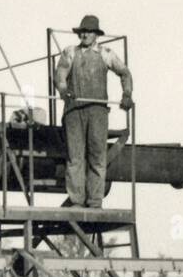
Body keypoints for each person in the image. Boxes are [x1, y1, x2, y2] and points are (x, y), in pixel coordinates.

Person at [53, 14, 134, 208]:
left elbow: (124, 73)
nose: (85, 35)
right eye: (82, 32)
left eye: (88, 32)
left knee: (98, 156)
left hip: (98, 112)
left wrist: (127, 94)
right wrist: (64, 91)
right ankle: (76, 201)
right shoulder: (70, 52)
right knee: (75, 157)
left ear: (96, 34)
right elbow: (60, 76)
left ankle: (95, 201)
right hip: (74, 111)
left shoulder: (106, 54)